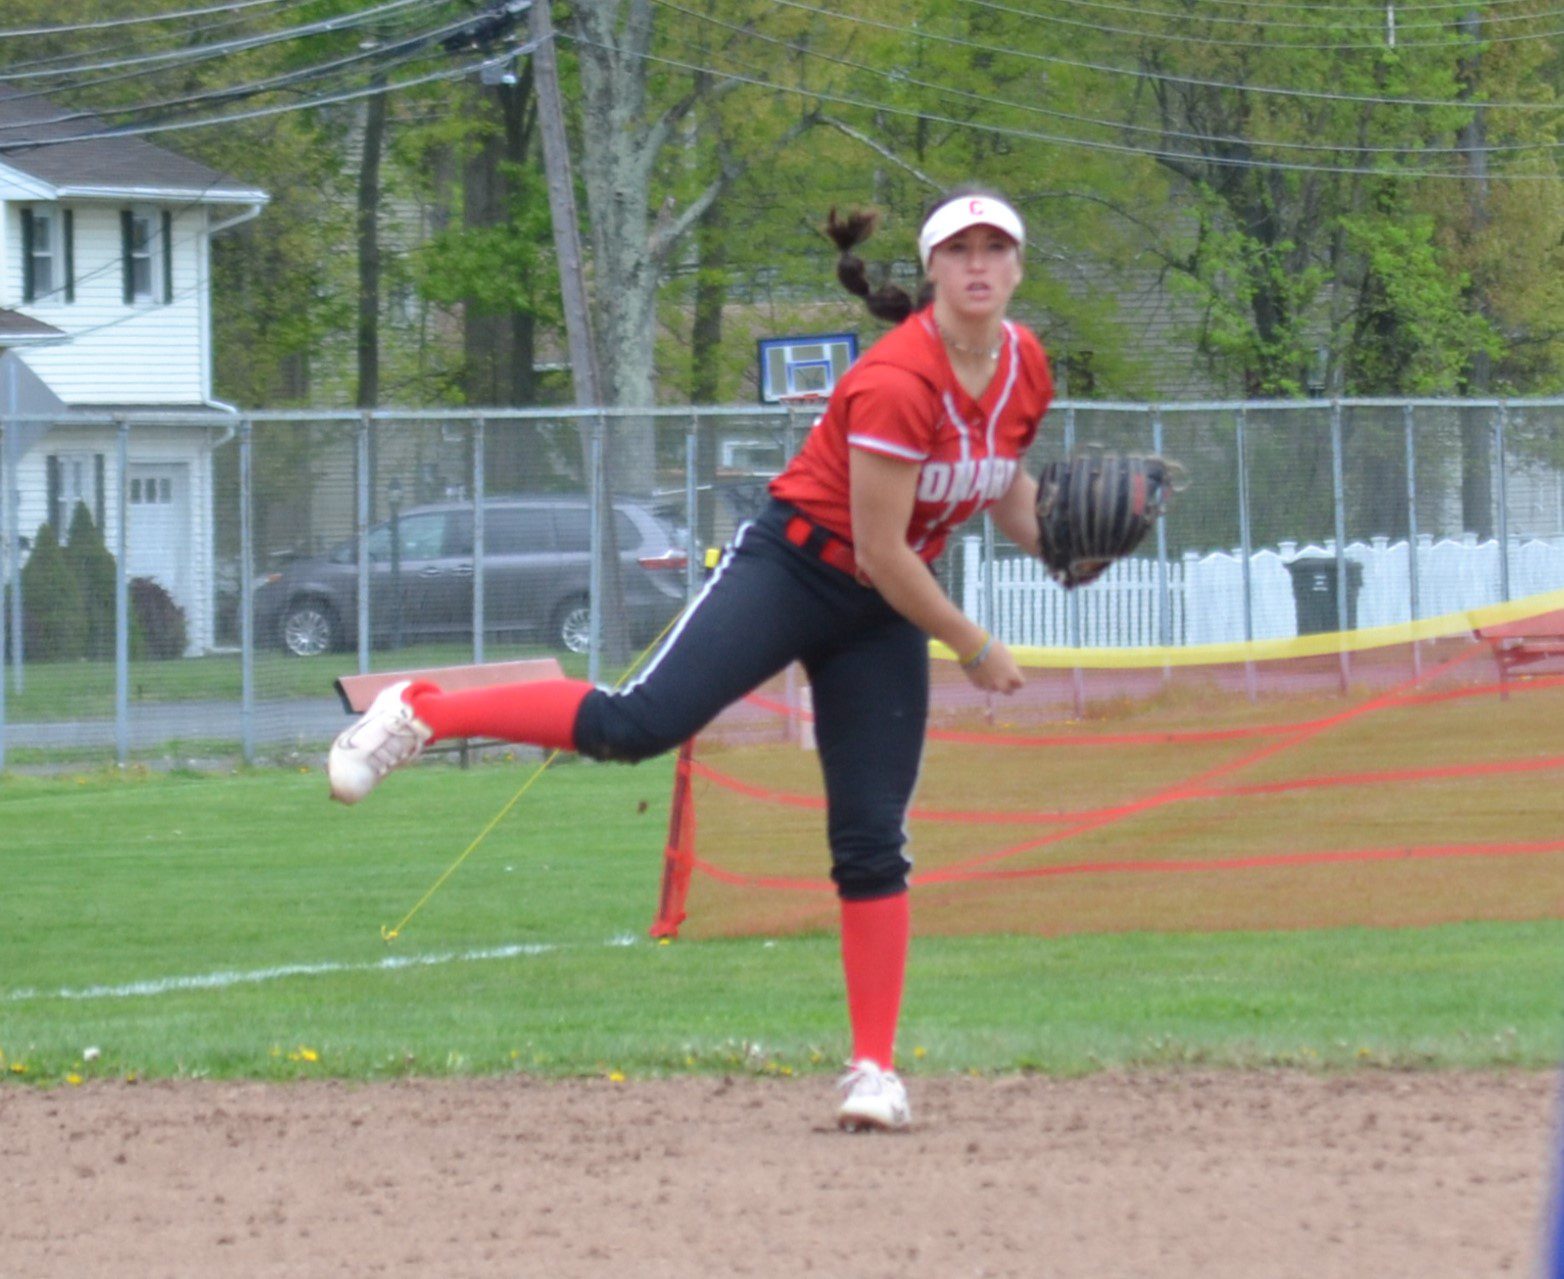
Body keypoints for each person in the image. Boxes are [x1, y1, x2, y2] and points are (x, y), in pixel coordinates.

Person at [327, 185, 1055, 1131]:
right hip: (798, 566)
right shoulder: (896, 379)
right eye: (960, 250)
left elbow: (1004, 496)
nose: (978, 265)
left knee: (872, 837)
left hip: (881, 611)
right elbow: (880, 550)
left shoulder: (1025, 365)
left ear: (1018, 268)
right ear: (930, 271)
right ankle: (425, 707)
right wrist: (975, 643)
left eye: (997, 248)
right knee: (638, 725)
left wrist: (1073, 547)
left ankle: (873, 1069)